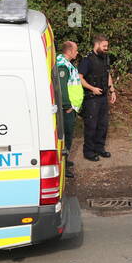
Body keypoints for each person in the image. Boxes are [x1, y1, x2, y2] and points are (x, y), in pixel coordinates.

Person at [77, 35, 116, 161]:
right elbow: (79, 78)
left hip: (103, 97)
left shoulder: (105, 58)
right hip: (91, 98)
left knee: (103, 125)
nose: (106, 48)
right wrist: (91, 88)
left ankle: (100, 148)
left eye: (107, 46)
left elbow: (107, 74)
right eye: (104, 46)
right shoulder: (87, 60)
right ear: (97, 44)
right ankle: (88, 151)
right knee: (91, 126)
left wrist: (112, 90)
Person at [54, 41, 84, 178]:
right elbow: (61, 88)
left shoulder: (66, 63)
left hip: (71, 108)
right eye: (76, 50)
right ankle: (63, 166)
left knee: (68, 137)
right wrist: (67, 106)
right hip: (67, 109)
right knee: (66, 138)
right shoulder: (62, 65)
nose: (77, 53)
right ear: (70, 51)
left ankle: (65, 161)